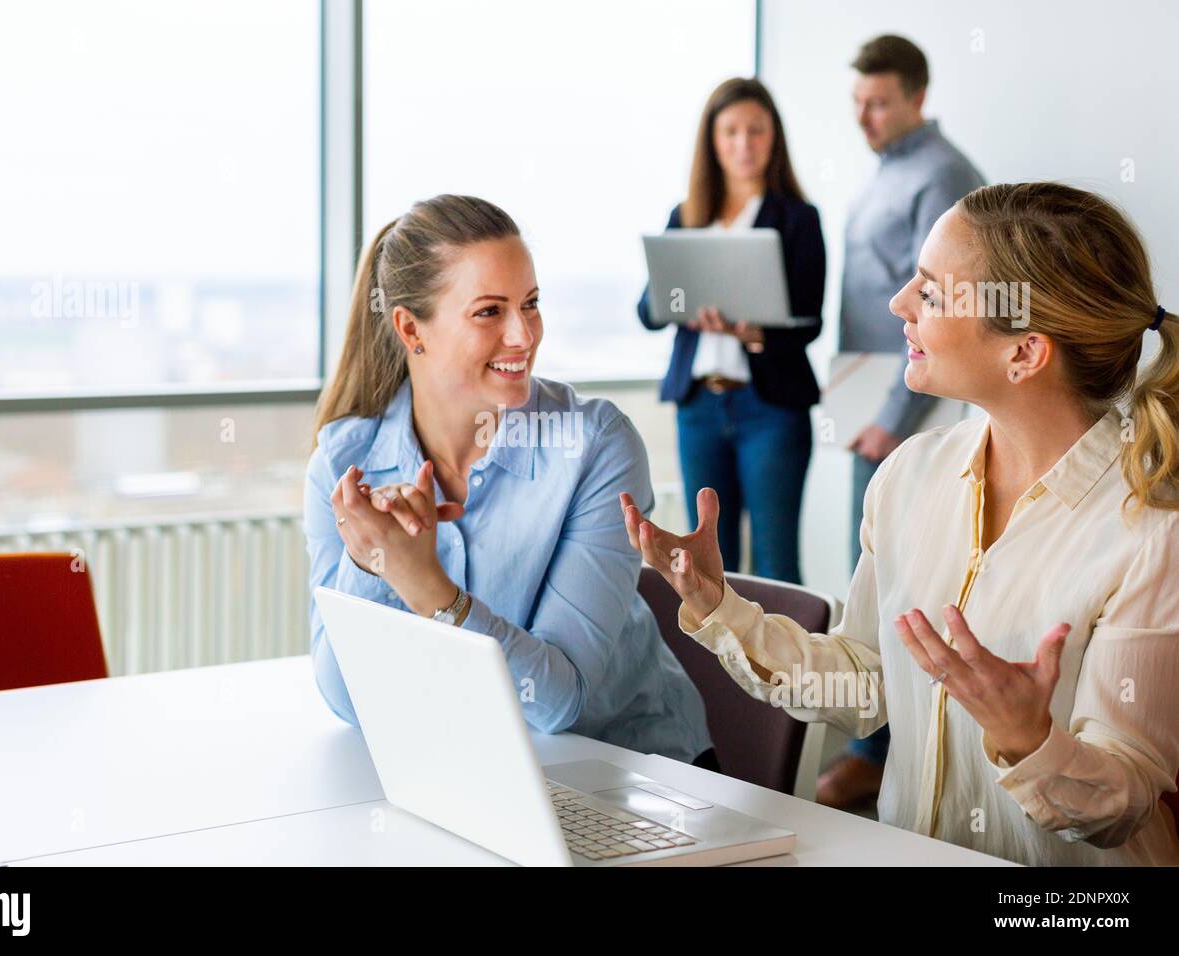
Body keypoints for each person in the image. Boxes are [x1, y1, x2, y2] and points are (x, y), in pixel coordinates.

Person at [622, 182, 1179, 866]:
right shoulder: (909, 476)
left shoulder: (1151, 527)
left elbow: (1124, 802)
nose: (898, 305)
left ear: (1025, 353)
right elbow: (863, 684)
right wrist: (719, 609)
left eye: (932, 293)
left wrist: (1031, 741)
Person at [305, 193, 712, 764]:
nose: (523, 336)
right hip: (480, 769)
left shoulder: (595, 448)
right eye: (489, 312)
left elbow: (557, 702)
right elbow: (347, 701)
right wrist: (372, 557)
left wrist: (427, 588)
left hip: (633, 774)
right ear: (410, 329)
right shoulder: (343, 462)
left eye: (531, 304)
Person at [827, 35, 985, 808]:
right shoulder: (882, 173)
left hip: (907, 404)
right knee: (874, 581)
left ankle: (875, 753)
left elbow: (945, 311)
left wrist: (892, 418)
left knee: (904, 587)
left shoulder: (945, 176)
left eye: (880, 102)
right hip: (867, 397)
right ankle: (876, 745)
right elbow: (872, 303)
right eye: (857, 102)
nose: (866, 117)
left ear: (918, 98)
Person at [637, 77, 825, 583]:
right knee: (707, 562)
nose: (744, 144)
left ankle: (784, 666)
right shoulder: (687, 215)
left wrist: (752, 332)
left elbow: (810, 319)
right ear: (713, 141)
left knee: (774, 561)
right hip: (698, 408)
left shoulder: (798, 219)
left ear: (773, 138)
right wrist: (683, 305)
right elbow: (648, 311)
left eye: (756, 131)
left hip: (770, 411)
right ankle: (714, 666)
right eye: (731, 132)